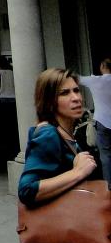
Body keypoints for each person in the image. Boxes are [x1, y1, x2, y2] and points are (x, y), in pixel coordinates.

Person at [19, 68, 101, 207]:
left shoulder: (67, 132)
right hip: (63, 223)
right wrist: (77, 172)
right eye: (64, 93)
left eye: (76, 90)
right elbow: (27, 190)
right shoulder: (48, 135)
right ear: (49, 101)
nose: (76, 98)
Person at [80, 58, 111, 188]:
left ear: (102, 66)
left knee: (105, 156)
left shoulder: (96, 81)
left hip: (103, 122)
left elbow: (76, 78)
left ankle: (109, 186)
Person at [0, 57, 18, 160]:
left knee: (0, 125)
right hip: (13, 100)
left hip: (0, 100)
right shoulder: (12, 72)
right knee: (12, 125)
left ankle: (0, 147)